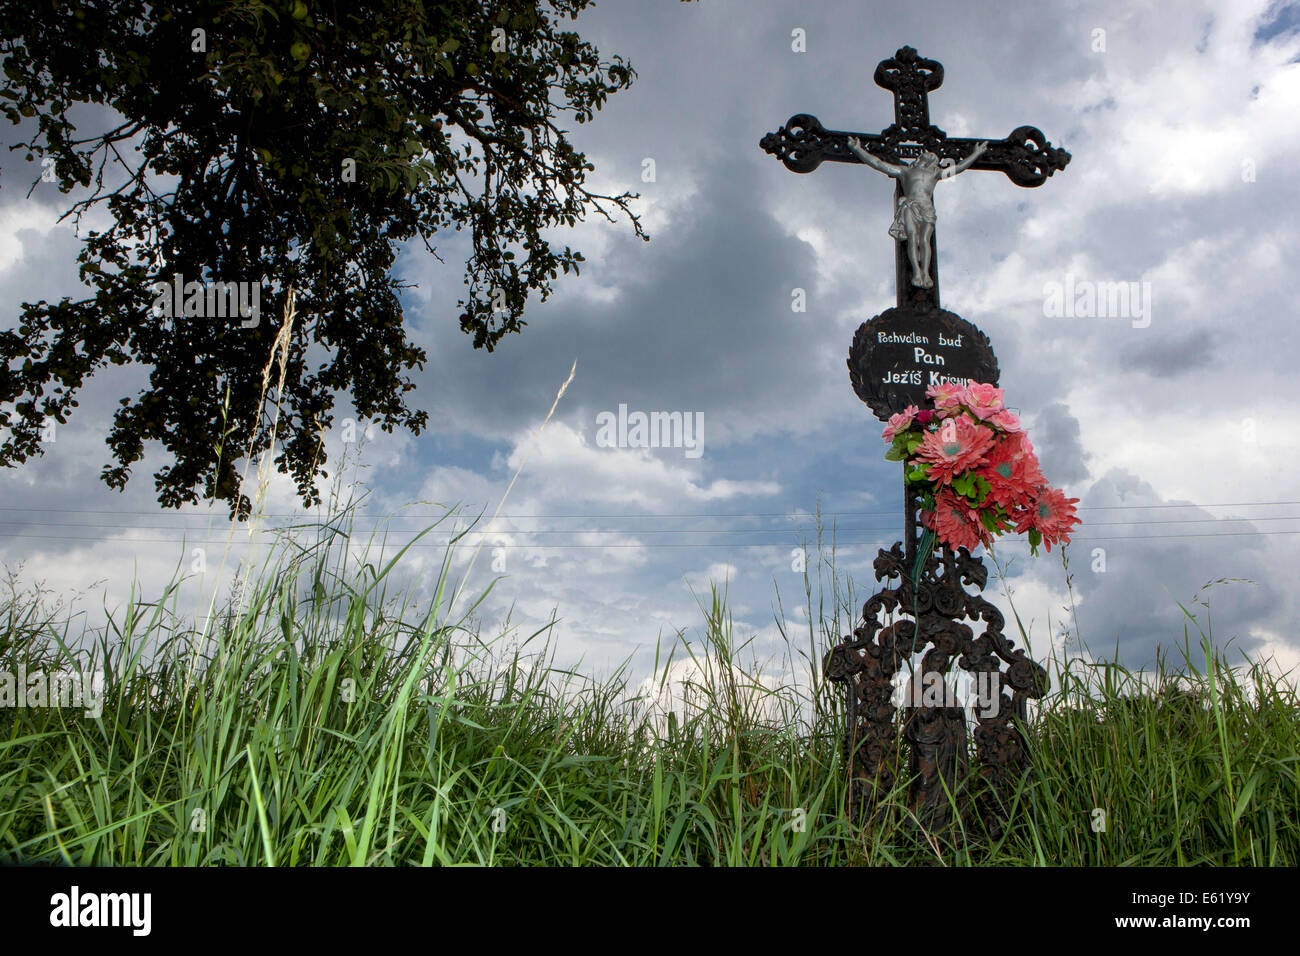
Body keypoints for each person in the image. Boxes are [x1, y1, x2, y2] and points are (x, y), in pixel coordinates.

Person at [846, 136, 988, 287]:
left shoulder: (936, 173)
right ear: (921, 158)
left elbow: (957, 168)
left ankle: (925, 273)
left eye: (933, 157)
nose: (931, 157)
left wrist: (976, 154)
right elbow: (879, 164)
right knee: (913, 237)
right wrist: (858, 150)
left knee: (925, 241)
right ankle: (916, 272)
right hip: (910, 206)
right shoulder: (905, 171)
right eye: (928, 156)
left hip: (926, 208)